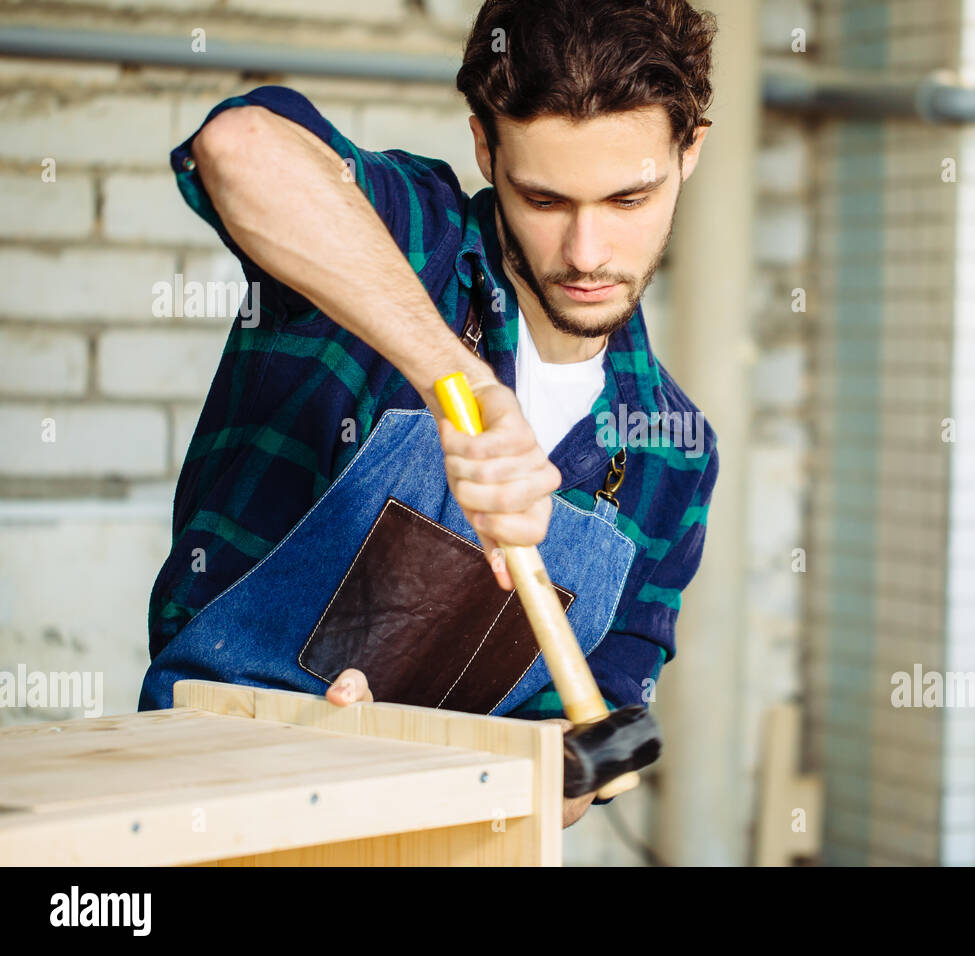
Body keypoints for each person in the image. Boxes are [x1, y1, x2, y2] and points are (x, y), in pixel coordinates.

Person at [137, 0, 721, 828]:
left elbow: (585, 754)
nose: (587, 252)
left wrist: (429, 756)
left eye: (628, 200)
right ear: (486, 145)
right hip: (206, 806)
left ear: (688, 150)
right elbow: (240, 147)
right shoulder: (412, 242)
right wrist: (459, 381)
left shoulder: (673, 456)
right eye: (545, 199)